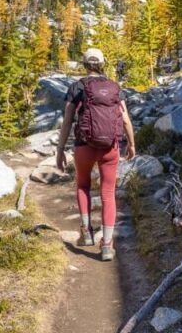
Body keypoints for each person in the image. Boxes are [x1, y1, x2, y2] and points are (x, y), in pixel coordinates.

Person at [56, 48, 136, 262]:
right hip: (110, 147)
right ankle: (107, 246)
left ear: (84, 64)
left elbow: (67, 120)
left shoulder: (77, 87)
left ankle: (86, 232)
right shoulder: (114, 87)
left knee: (83, 185)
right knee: (108, 192)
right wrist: (131, 143)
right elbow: (126, 119)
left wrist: (60, 149)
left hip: (84, 146)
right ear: (102, 64)